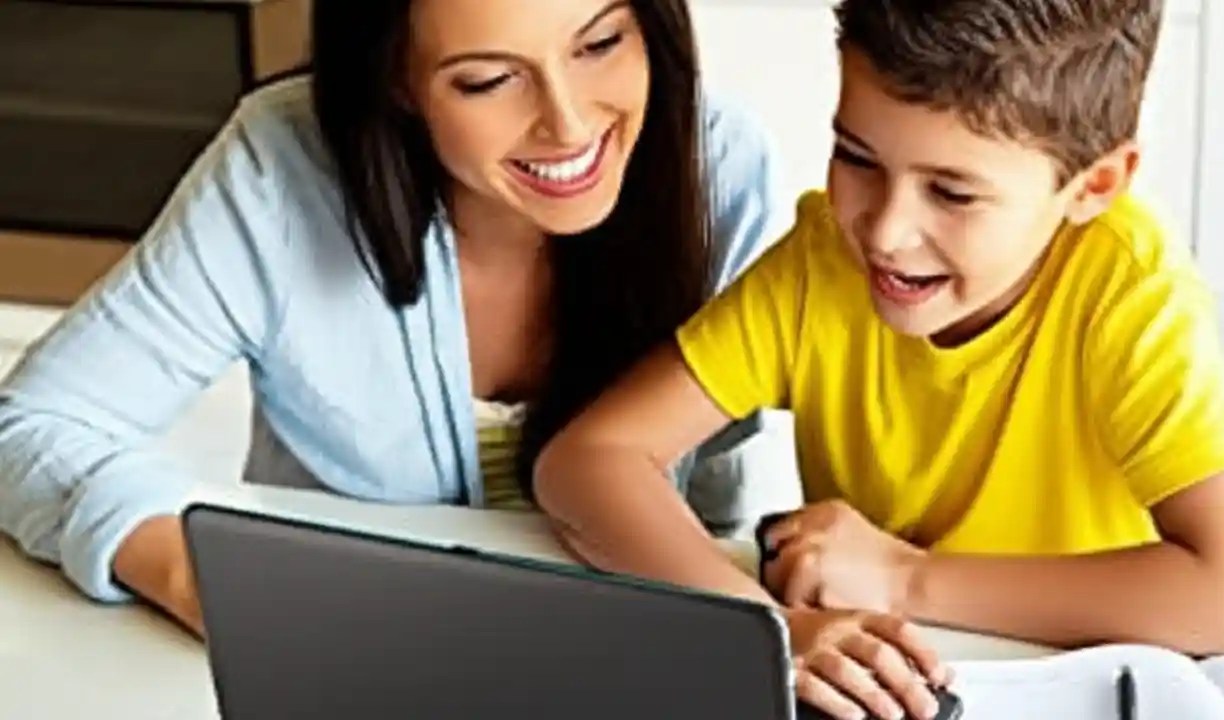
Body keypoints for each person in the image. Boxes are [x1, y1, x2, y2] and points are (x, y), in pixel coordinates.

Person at [534, 1, 1224, 718]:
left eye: (952, 194)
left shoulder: (1127, 291)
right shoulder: (821, 266)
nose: (886, 233)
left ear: (1095, 185)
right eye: (856, 157)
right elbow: (588, 459)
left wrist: (908, 579)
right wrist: (768, 634)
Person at [0, 0, 789, 639]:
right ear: (397, 82)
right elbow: (33, 426)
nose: (571, 124)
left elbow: (717, 490)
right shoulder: (281, 170)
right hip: (347, 670)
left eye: (600, 43)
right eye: (487, 80)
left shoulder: (719, 167)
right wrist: (205, 586)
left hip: (639, 649)